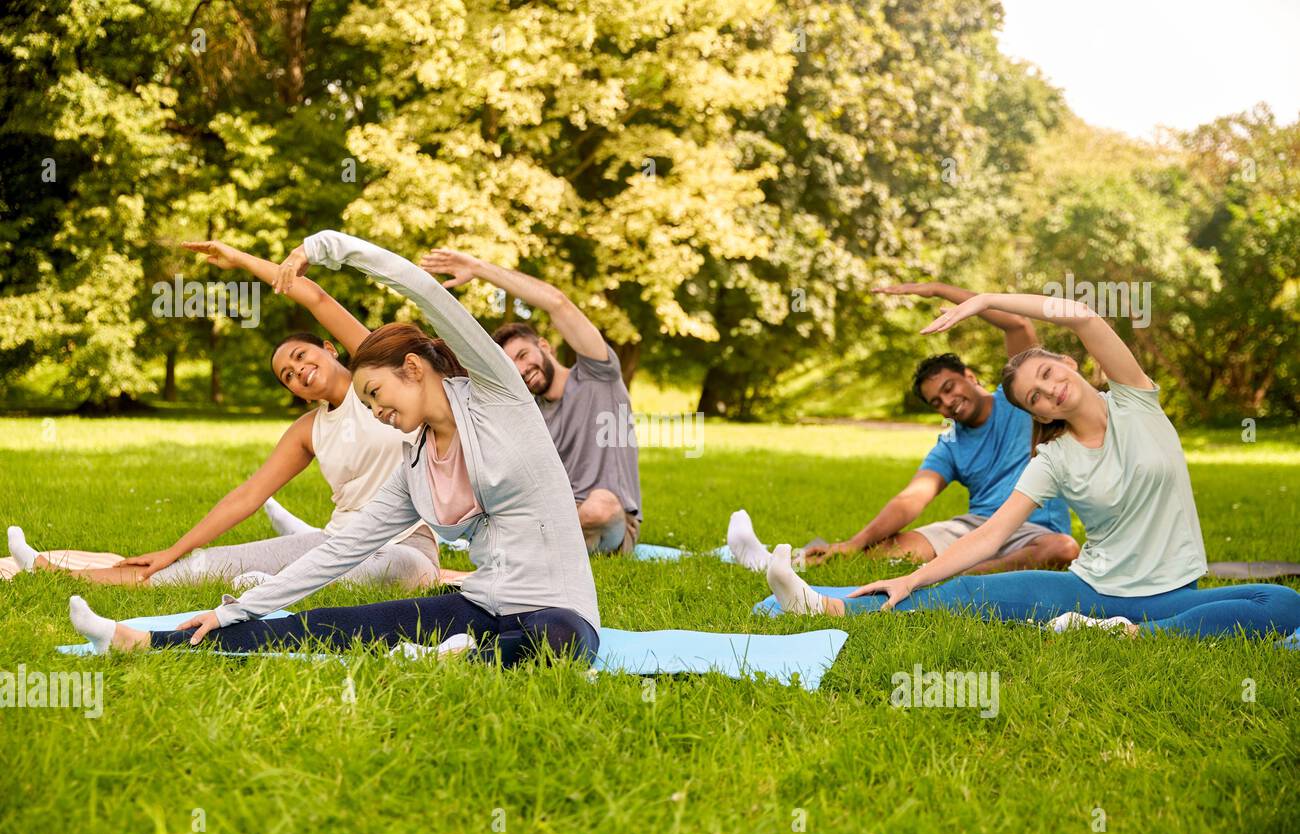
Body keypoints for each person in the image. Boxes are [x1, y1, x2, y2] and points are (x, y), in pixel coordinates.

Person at [69, 230, 600, 667]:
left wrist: (324, 247)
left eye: (375, 395)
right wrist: (236, 610)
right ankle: (142, 641)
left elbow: (423, 291)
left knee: (559, 641)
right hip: (485, 604)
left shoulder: (498, 394)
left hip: (560, 610)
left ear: (412, 369)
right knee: (337, 626)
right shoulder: (414, 462)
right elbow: (337, 553)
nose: (373, 411)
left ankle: (455, 658)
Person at [759, 290, 1300, 642]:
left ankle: (1127, 635)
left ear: (1066, 363)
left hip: (1174, 589)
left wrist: (985, 299)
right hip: (1094, 589)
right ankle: (820, 607)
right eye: (1034, 397)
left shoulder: (1136, 400)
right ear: (1035, 413)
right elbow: (992, 535)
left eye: (1046, 375)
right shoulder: (1054, 458)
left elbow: (1084, 315)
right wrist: (915, 575)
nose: (1047, 391)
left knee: (1279, 602)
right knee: (960, 596)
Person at [6, 240, 461, 590]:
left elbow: (315, 298)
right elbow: (247, 496)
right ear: (295, 394)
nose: (299, 371)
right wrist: (174, 549)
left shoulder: (379, 377)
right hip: (337, 541)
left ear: (329, 347)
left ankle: (278, 585)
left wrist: (238, 258)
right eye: (287, 375)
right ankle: (53, 571)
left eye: (302, 356)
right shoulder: (309, 430)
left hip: (404, 548)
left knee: (385, 568)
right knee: (211, 565)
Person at [727, 282, 1079, 574]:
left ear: (970, 377)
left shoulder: (1018, 401)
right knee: (891, 549)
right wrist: (853, 544)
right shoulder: (951, 443)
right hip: (977, 527)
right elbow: (912, 498)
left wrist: (940, 290)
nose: (947, 403)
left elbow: (1017, 326)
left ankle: (961, 573)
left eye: (949, 388)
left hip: (1034, 531)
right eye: (936, 403)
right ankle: (782, 561)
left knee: (1063, 548)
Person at [417, 248, 642, 555]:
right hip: (553, 519)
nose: (522, 370)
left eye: (523, 355)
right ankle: (535, 545)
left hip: (609, 526)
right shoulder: (528, 414)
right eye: (513, 366)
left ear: (544, 346)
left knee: (600, 506)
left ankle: (528, 546)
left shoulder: (598, 377)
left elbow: (557, 303)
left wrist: (480, 268)